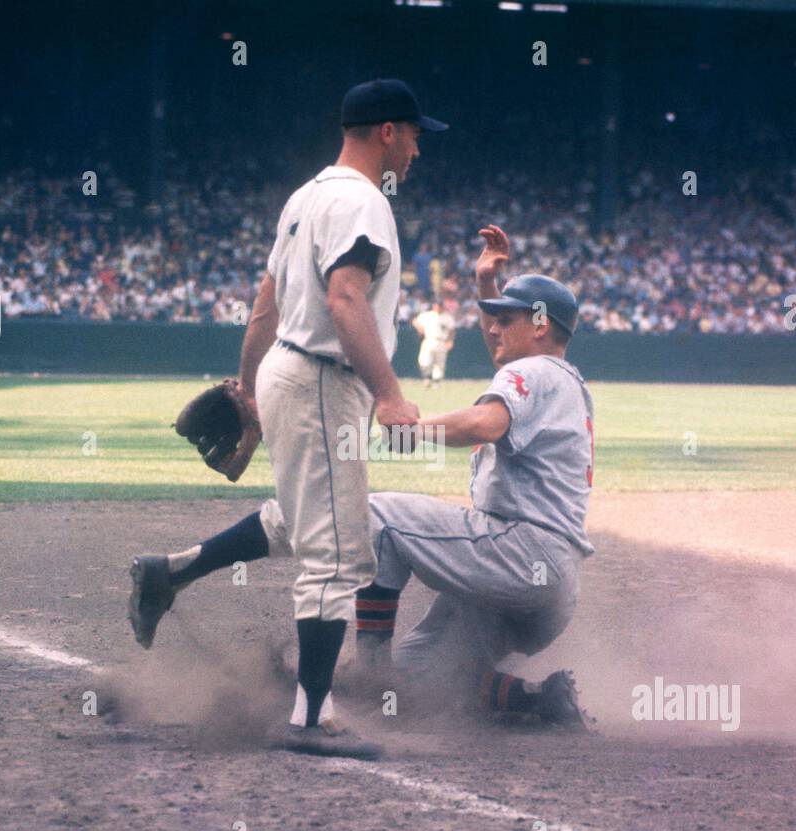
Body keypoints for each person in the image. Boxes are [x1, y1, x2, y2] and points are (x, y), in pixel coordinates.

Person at [129, 226, 594, 729]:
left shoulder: (537, 373)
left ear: (542, 326)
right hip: (545, 588)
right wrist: (487, 287)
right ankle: (537, 698)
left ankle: (367, 666)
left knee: (375, 518)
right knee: (420, 671)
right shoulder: (561, 380)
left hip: (519, 549)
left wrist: (413, 428)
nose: (493, 328)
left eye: (506, 319)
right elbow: (505, 363)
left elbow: (487, 423)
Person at [129, 79, 446, 758]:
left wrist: (249, 395)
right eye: (416, 134)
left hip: (287, 372)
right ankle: (310, 718)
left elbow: (264, 308)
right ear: (387, 131)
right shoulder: (365, 201)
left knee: (311, 521)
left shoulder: (306, 197)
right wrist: (389, 394)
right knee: (337, 553)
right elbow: (345, 298)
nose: (419, 149)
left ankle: (172, 571)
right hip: (323, 381)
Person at [412, 300, 456, 387]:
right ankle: (427, 378)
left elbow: (452, 330)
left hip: (441, 341)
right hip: (429, 339)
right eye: (436, 305)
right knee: (424, 361)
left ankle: (436, 382)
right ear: (433, 306)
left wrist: (450, 341)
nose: (438, 307)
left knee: (439, 363)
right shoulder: (428, 315)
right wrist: (420, 329)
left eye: (440, 305)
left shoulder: (447, 317)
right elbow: (415, 321)